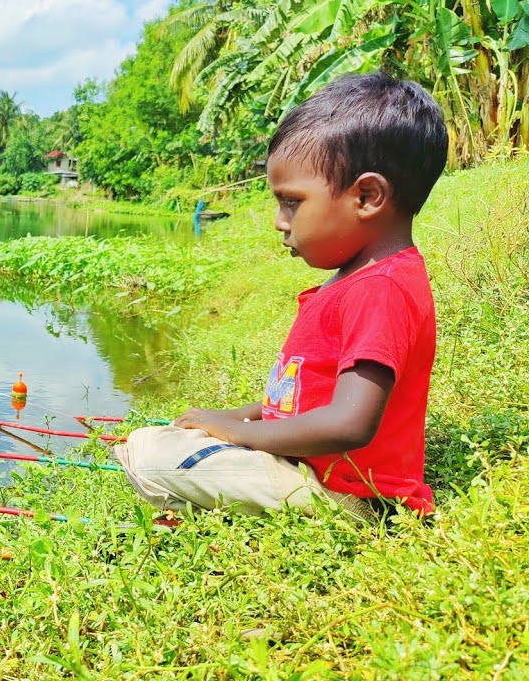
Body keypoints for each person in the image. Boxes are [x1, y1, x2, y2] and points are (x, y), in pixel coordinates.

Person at [115, 72, 448, 521]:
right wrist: (237, 415)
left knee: (151, 453)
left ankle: (209, 513)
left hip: (350, 496)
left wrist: (237, 434)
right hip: (314, 473)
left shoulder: (381, 288)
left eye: (291, 202)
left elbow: (350, 422)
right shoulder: (358, 277)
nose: (280, 221)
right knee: (165, 440)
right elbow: (311, 399)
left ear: (367, 196)